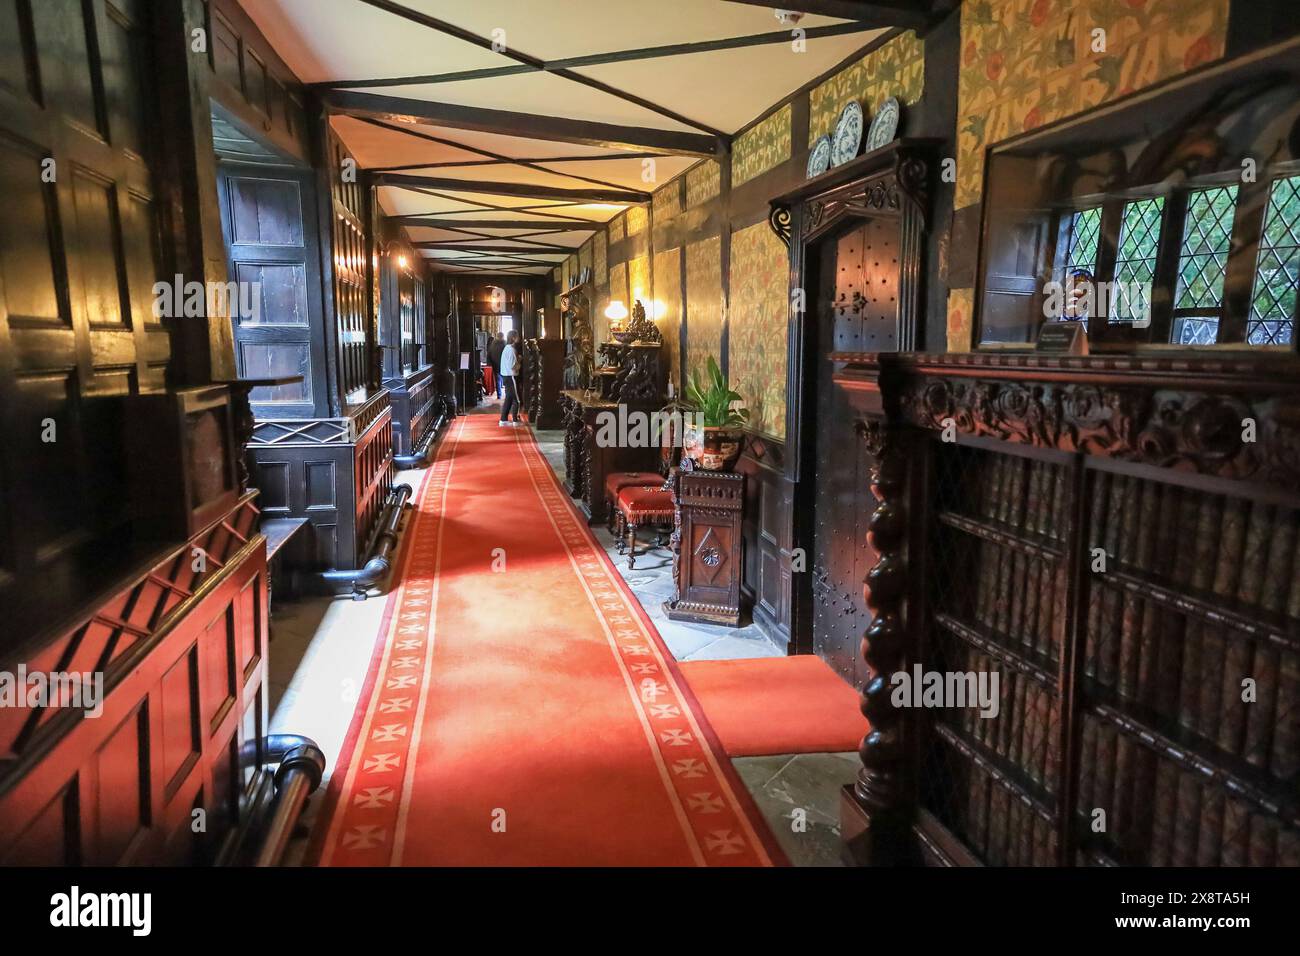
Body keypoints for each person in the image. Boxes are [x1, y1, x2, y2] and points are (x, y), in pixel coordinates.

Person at [498, 330, 522, 426]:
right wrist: (519, 360)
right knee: (517, 400)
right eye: (517, 336)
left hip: (505, 376)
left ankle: (503, 419)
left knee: (508, 398)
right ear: (513, 338)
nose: (518, 338)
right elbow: (513, 366)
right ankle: (515, 420)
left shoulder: (506, 348)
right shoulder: (511, 350)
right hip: (511, 376)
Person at [487, 332, 505, 400]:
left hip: (495, 365)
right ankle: (505, 395)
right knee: (505, 380)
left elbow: (488, 355)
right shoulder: (505, 344)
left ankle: (499, 395)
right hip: (503, 365)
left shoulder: (493, 344)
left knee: (498, 380)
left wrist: (490, 364)